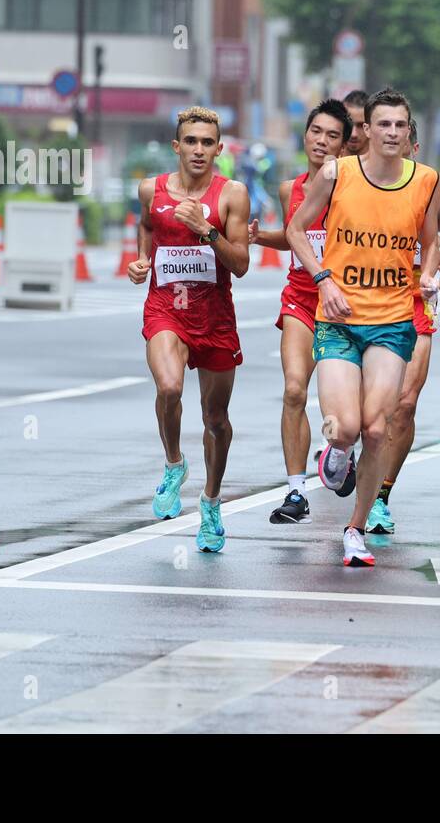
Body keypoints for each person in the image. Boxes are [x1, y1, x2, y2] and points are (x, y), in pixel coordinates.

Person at [286, 88, 440, 567]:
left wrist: (431, 275)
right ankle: (334, 451)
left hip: (393, 320)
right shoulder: (338, 173)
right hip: (339, 317)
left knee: (378, 429)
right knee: (346, 428)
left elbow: (431, 238)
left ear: (409, 132)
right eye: (384, 125)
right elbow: (296, 230)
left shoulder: (426, 180)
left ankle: (354, 528)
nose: (392, 133)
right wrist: (322, 278)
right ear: (367, 131)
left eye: (401, 126)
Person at [129, 106, 251, 553]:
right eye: (191, 141)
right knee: (168, 388)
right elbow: (148, 226)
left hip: (215, 318)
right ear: (176, 146)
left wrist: (206, 232)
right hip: (166, 309)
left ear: (219, 149)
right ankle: (174, 463)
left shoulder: (231, 195)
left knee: (215, 420)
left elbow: (240, 264)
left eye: (208, 143)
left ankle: (212, 502)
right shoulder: (151, 190)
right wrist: (141, 261)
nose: (199, 150)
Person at [248, 99, 351, 523]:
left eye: (332, 136)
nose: (322, 142)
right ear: (305, 135)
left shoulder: (351, 190)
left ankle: (343, 451)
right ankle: (296, 492)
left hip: (346, 305)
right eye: (316, 132)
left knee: (342, 413)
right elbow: (296, 237)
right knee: (294, 390)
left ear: (344, 146)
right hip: (300, 299)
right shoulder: (291, 190)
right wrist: (259, 238)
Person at [369, 115, 438, 534]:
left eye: (405, 138)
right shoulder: (362, 185)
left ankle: (381, 495)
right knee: (370, 412)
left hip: (415, 306)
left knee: (406, 403)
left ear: (413, 147)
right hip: (368, 303)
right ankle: (352, 458)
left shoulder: (430, 189)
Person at [342, 89, 370, 157]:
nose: (353, 134)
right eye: (348, 124)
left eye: (361, 126)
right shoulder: (327, 165)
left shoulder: (386, 165)